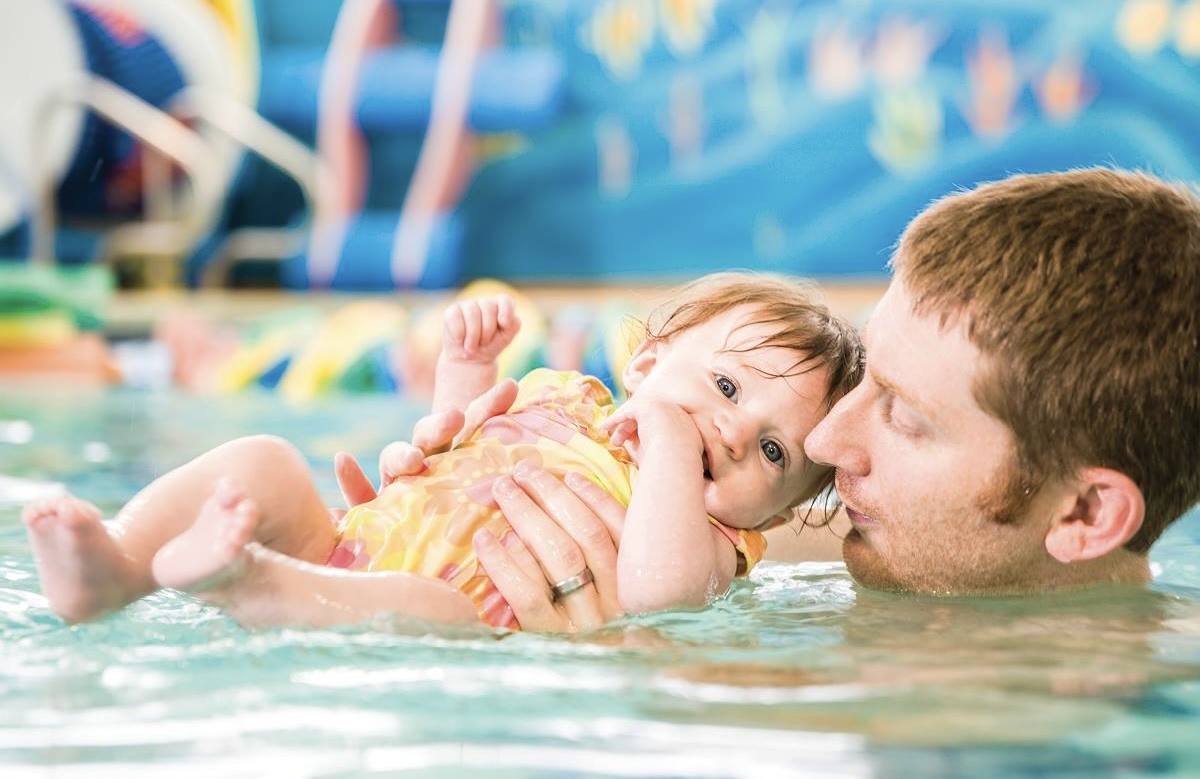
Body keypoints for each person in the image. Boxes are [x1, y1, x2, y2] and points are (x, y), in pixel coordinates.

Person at [404, 167, 1200, 630]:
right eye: (866, 379)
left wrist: (628, 670)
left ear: (1087, 515)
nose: (821, 445)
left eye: (902, 413)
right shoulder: (797, 542)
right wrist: (448, 497)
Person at [23, 272, 863, 630]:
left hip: (433, 610)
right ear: (646, 361)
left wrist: (675, 442)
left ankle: (255, 583)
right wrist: (466, 371)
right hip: (354, 547)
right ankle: (116, 562)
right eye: (722, 390)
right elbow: (449, 447)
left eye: (772, 453)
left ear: (780, 514)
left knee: (446, 617)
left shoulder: (714, 543)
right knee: (268, 461)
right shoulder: (562, 394)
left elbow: (660, 598)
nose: (729, 433)